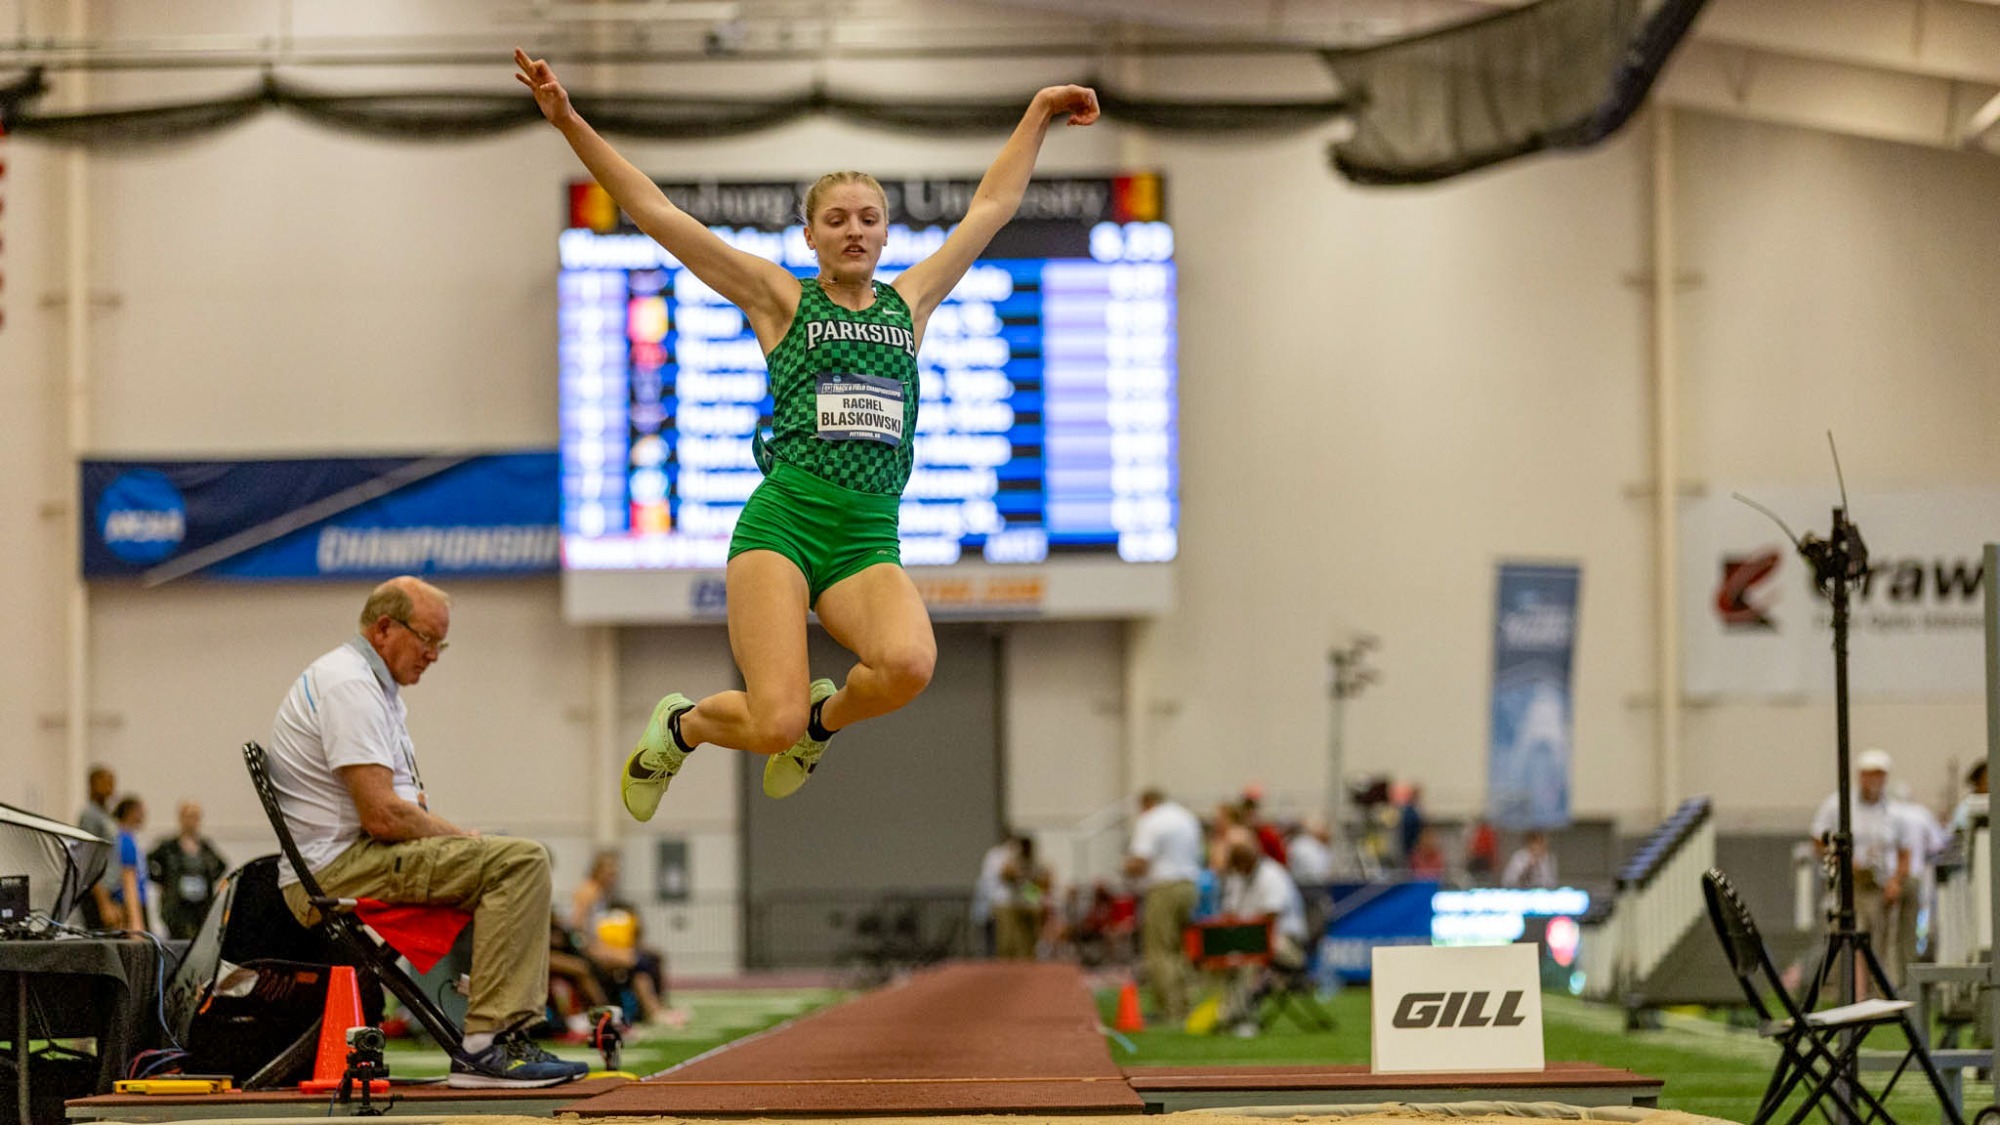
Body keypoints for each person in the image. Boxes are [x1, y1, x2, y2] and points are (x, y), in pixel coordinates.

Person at [515, 48, 1101, 819]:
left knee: (908, 664)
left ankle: (823, 723)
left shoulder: (911, 302)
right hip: (785, 526)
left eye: (868, 219)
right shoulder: (779, 299)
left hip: (866, 539)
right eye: (837, 220)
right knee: (771, 721)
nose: (854, 230)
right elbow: (657, 214)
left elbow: (991, 206)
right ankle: (681, 727)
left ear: (885, 235)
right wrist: (568, 122)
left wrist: (1039, 110)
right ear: (810, 237)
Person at [265, 576, 587, 1089]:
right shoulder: (349, 687)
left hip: (346, 857)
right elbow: (383, 816)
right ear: (384, 628)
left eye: (442, 644)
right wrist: (460, 838)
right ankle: (489, 1044)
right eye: (427, 639)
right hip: (340, 867)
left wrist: (455, 837)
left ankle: (495, 1033)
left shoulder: (367, 685)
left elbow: (396, 809)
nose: (434, 655)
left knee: (506, 851)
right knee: (521, 860)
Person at [1809, 747, 1909, 998]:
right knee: (1850, 937)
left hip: (1879, 886)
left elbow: (1904, 852)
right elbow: (1818, 840)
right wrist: (1842, 860)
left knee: (1878, 941)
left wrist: (1896, 881)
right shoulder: (1837, 804)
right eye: (1869, 774)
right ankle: (1851, 993)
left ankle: (1876, 995)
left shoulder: (1894, 812)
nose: (1874, 780)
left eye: (1879, 775)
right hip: (1849, 884)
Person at [1123, 788, 1204, 1026]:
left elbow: (1141, 860)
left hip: (1164, 886)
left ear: (1146, 803)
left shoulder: (1151, 820)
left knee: (1159, 949)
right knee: (1180, 949)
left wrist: (1126, 867)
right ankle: (1184, 1004)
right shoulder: (1187, 817)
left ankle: (1169, 1009)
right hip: (1190, 885)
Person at [1215, 837, 1309, 1037]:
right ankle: (1228, 1014)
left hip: (1287, 942)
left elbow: (1270, 916)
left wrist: (1242, 936)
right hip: (1248, 939)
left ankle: (1246, 1018)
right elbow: (1229, 913)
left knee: (1249, 957)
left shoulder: (1272, 875)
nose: (1239, 871)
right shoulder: (1236, 877)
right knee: (1225, 957)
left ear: (1249, 861)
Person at [147, 800, 229, 940]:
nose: (191, 821)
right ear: (181, 818)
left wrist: (209, 881)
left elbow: (222, 865)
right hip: (177, 905)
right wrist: (162, 881)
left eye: (195, 817)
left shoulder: (205, 846)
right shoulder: (168, 846)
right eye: (188, 816)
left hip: (201, 906)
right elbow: (148, 862)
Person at [74, 765, 120, 929]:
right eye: (106, 782)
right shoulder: (90, 815)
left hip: (112, 890)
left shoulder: (106, 814)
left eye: (112, 782)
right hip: (97, 893)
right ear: (93, 784)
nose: (111, 787)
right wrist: (104, 903)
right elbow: (89, 859)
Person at [994, 833, 1052, 960]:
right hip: (1010, 904)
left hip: (1028, 904)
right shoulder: (1010, 857)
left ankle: (1027, 964)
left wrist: (1035, 895)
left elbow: (1044, 882)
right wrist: (1018, 874)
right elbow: (1005, 874)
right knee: (1008, 941)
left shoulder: (1035, 862)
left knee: (1028, 942)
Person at [109, 796, 151, 934]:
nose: (143, 816)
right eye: (140, 812)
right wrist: (135, 920)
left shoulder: (129, 838)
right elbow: (128, 877)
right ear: (130, 812)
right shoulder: (125, 840)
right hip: (128, 904)